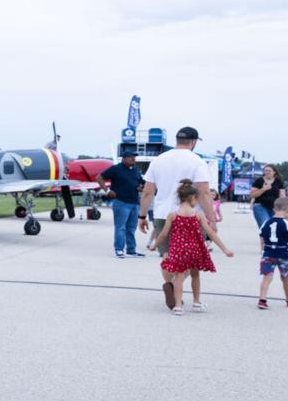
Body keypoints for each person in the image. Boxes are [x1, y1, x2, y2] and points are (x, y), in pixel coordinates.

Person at [147, 180, 233, 314]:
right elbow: (211, 233)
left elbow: (163, 234)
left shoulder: (172, 215)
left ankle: (178, 307)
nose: (197, 202)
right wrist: (225, 249)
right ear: (192, 198)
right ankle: (196, 302)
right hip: (194, 250)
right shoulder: (198, 215)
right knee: (195, 275)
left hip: (178, 250)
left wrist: (154, 245)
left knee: (179, 278)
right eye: (196, 200)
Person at [138, 126, 215, 259]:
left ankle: (170, 280)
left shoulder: (158, 160)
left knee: (167, 257)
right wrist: (211, 219)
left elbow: (148, 192)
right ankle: (178, 280)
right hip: (190, 217)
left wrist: (142, 217)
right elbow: (204, 193)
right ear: (193, 141)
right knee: (189, 259)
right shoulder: (197, 161)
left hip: (162, 214)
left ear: (177, 140)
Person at [97, 151, 146, 257]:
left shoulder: (136, 170)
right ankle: (119, 249)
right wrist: (107, 191)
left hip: (134, 203)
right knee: (121, 227)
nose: (133, 159)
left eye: (134, 157)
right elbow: (99, 177)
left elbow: (141, 183)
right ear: (123, 158)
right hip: (121, 202)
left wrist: (141, 187)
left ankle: (131, 250)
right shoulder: (116, 169)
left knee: (132, 228)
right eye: (130, 157)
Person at [257, 196, 288, 309]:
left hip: (268, 253)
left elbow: (261, 237)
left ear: (274, 209)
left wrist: (262, 250)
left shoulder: (266, 222)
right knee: (285, 277)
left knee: (267, 277)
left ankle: (262, 300)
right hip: (283, 254)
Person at [249, 163, 286, 231]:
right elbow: (252, 195)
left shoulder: (278, 181)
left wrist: (283, 207)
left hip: (275, 208)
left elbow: (282, 195)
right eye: (265, 170)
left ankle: (268, 241)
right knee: (265, 225)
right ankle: (265, 241)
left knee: (275, 227)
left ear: (274, 172)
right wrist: (263, 189)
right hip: (260, 206)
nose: (267, 172)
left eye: (269, 171)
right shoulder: (259, 181)